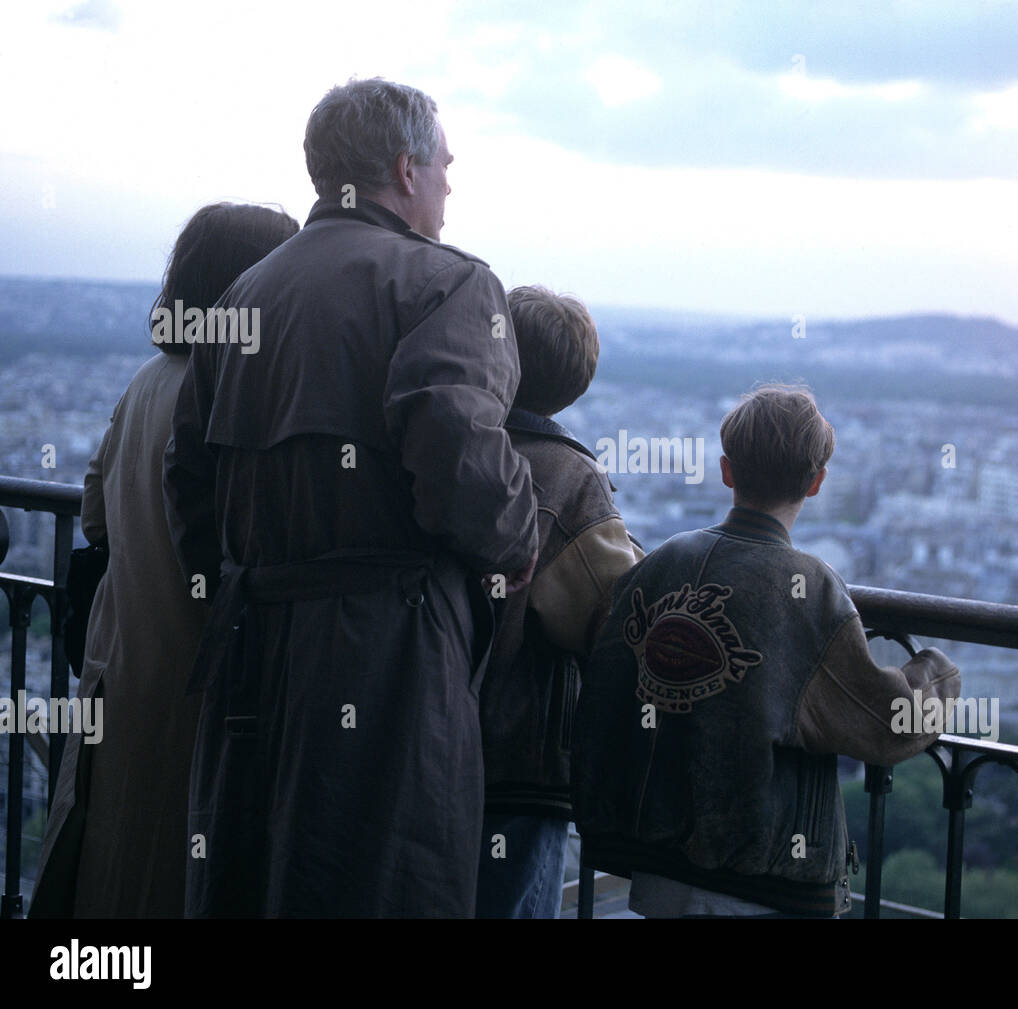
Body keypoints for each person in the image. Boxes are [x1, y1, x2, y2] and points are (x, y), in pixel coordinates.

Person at [163, 78, 538, 918]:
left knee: (248, 880)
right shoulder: (447, 287)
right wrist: (519, 540)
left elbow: (185, 477)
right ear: (406, 170)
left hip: (251, 643)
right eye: (444, 165)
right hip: (389, 652)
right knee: (384, 878)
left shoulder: (243, 294)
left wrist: (234, 581)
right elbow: (462, 461)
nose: (450, 182)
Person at [573, 384, 961, 917]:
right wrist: (936, 675)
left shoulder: (659, 563)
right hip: (764, 875)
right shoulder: (810, 589)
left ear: (727, 470)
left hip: (656, 863)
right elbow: (887, 719)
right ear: (817, 482)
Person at [29, 203, 300, 917]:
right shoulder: (238, 393)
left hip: (122, 674)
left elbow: (93, 514)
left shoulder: (147, 383)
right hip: (204, 687)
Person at [475, 286, 643, 918]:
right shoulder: (573, 479)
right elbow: (616, 619)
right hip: (523, 758)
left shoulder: (450, 450)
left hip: (425, 737)